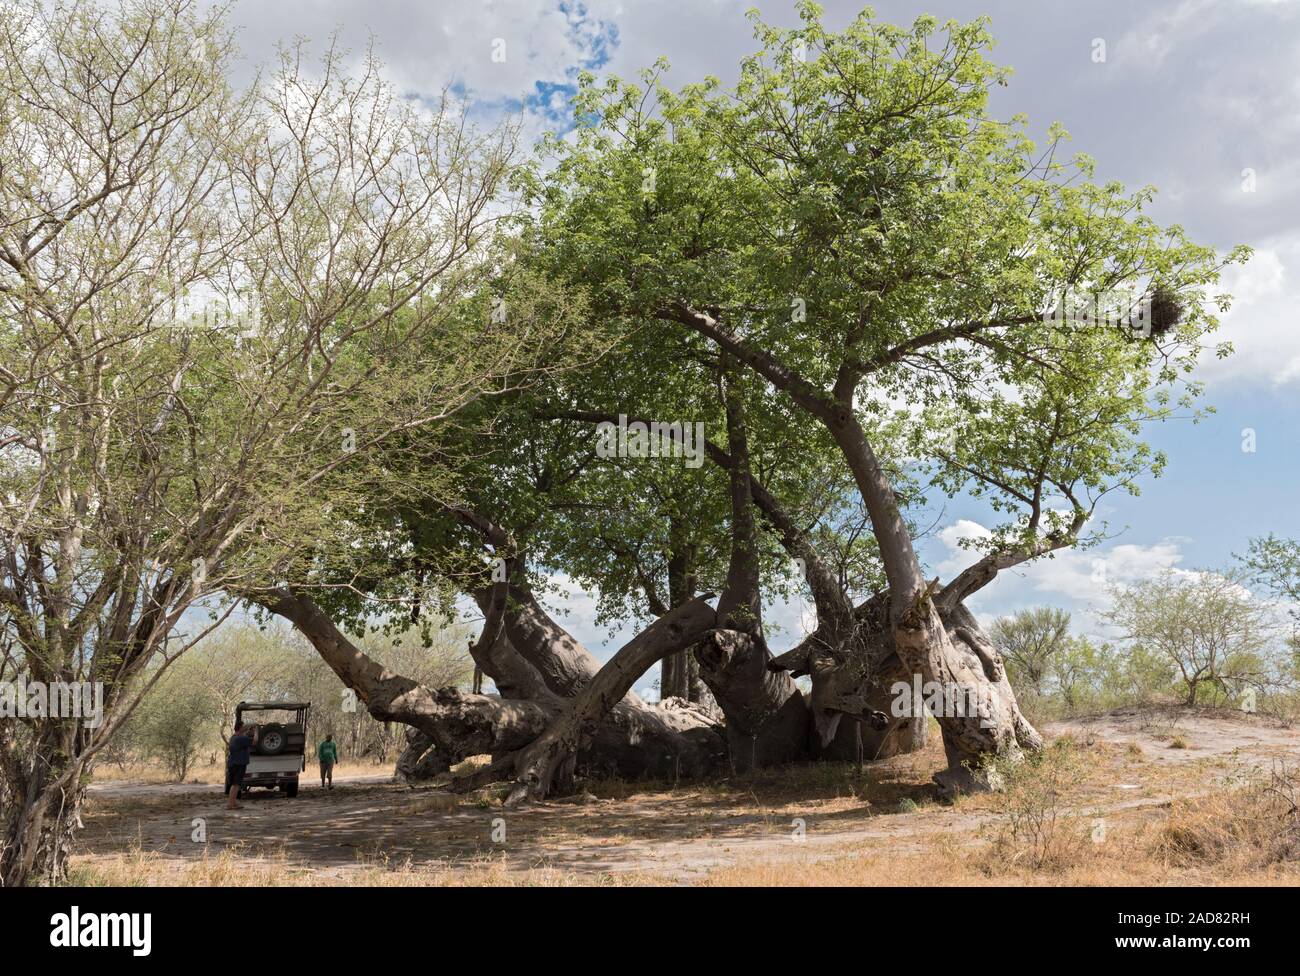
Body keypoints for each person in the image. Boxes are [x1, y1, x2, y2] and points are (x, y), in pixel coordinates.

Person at [225, 721, 256, 810]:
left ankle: (233, 803)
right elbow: (255, 742)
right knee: (236, 785)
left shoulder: (234, 737)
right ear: (240, 728)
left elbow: (245, 739)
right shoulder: (241, 738)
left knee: (235, 785)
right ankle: (230, 804)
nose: (245, 728)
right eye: (243, 727)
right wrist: (256, 732)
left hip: (234, 763)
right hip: (239, 764)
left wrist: (248, 731)